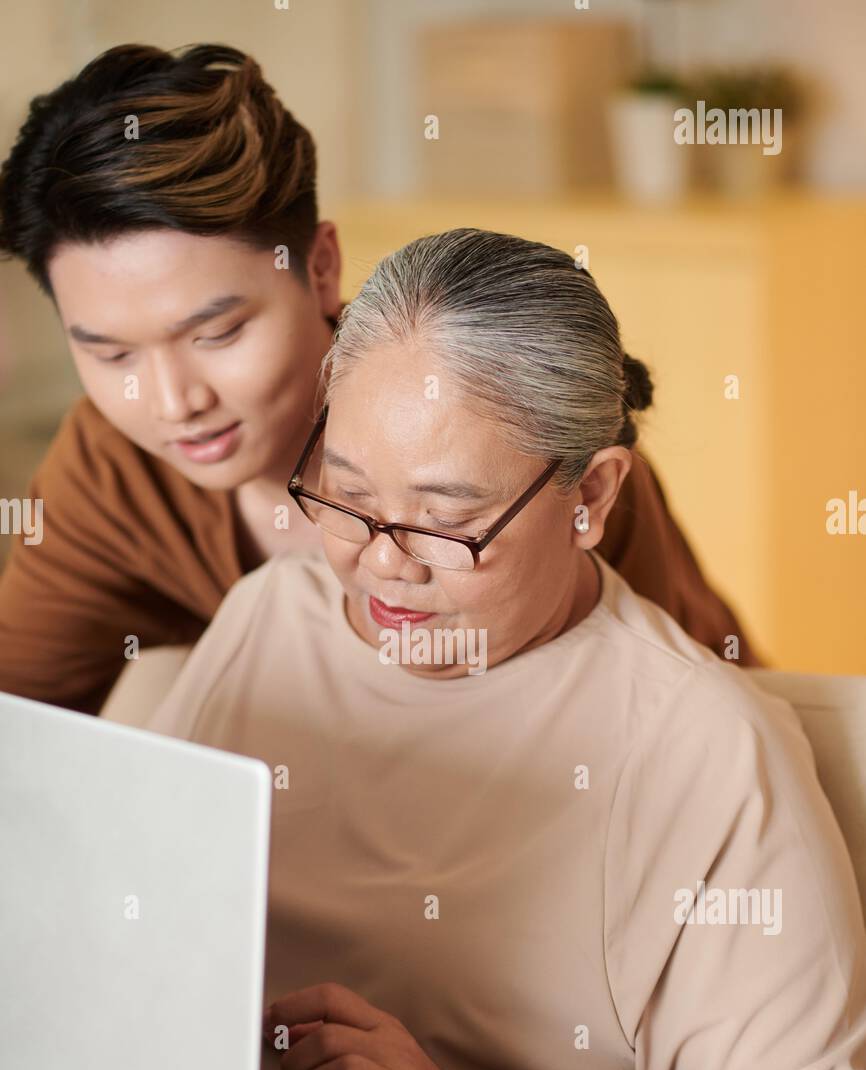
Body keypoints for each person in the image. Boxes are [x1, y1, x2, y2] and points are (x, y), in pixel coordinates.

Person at [146, 228, 866, 1070]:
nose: (381, 562)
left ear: (592, 495)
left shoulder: (695, 744)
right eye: (343, 493)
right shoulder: (271, 619)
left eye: (447, 520)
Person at [0, 42, 760, 716]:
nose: (174, 403)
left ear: (321, 267)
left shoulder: (508, 439)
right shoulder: (109, 469)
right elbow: (21, 716)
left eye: (219, 333)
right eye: (110, 355)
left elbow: (700, 714)